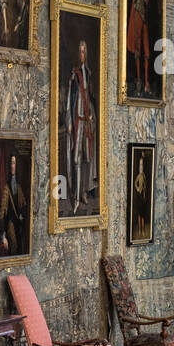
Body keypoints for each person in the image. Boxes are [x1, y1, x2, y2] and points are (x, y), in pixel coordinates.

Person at [66, 38, 97, 215]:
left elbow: (90, 98)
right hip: (77, 121)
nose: (82, 54)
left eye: (84, 51)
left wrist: (92, 116)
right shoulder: (74, 75)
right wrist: (69, 121)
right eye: (80, 51)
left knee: (87, 158)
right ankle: (76, 197)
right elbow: (71, 101)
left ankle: (84, 192)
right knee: (76, 158)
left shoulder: (89, 74)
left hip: (87, 122)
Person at [127, 0, 152, 96]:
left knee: (146, 46)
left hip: (144, 13)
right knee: (137, 45)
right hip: (137, 10)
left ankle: (147, 82)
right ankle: (139, 81)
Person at [0, 152, 28, 256]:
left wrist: (21, 216)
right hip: (9, 224)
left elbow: (23, 205)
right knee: (13, 248)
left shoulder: (19, 186)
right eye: (11, 163)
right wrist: (3, 236)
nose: (12, 166)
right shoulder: (6, 187)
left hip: (20, 225)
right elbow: (2, 213)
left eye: (14, 163)